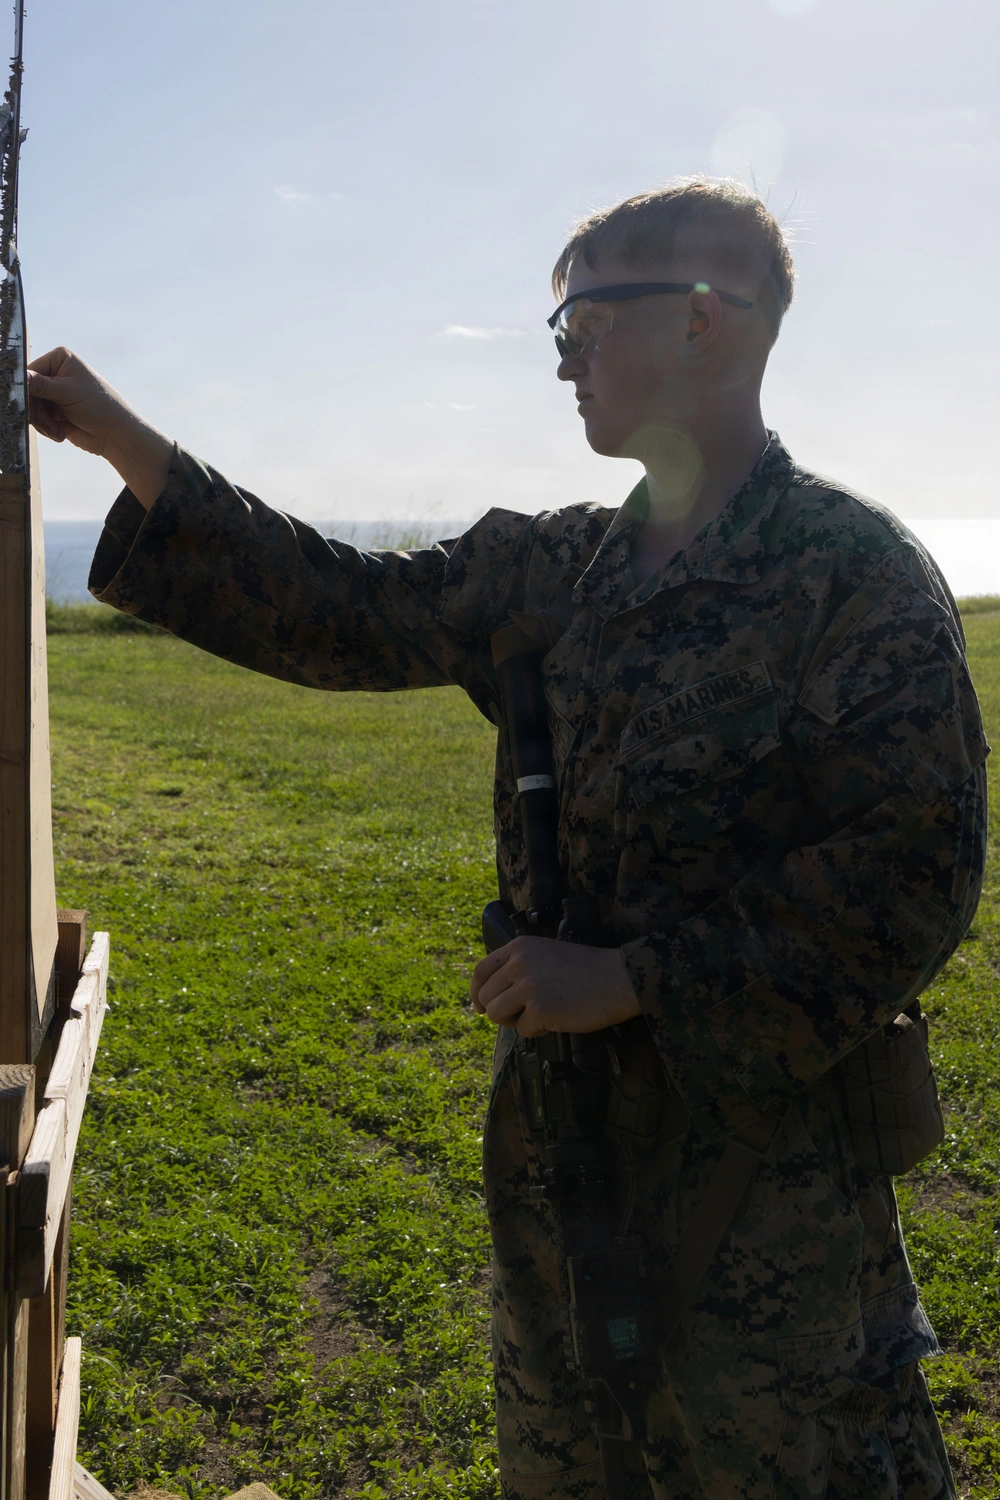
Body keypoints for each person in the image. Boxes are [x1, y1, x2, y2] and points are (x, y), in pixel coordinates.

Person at [29, 179, 986, 1500]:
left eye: (583, 319)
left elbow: (915, 873)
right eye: (557, 329)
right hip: (565, 1184)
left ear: (704, 323)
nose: (564, 356)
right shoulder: (557, 570)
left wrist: (639, 978)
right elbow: (346, 609)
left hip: (767, 1217)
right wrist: (129, 446)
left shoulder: (851, 574)